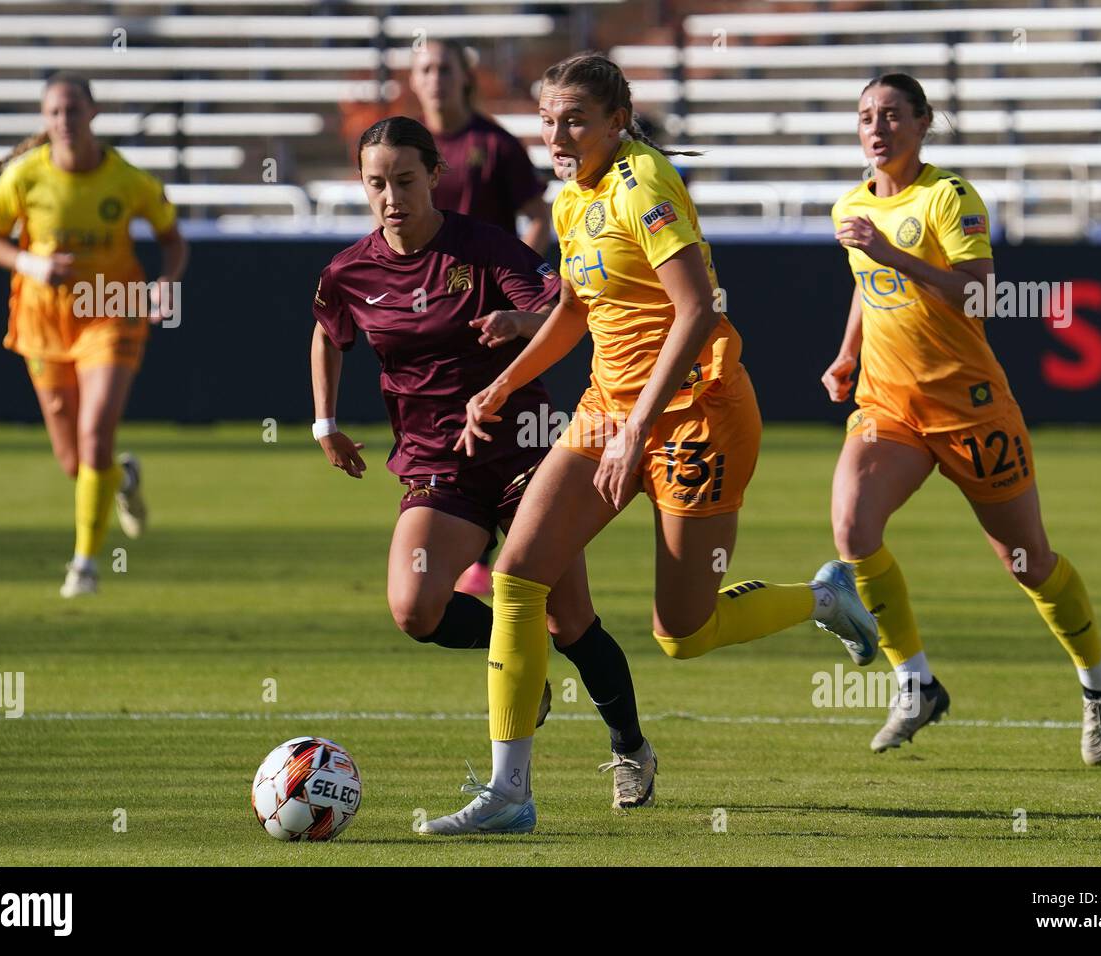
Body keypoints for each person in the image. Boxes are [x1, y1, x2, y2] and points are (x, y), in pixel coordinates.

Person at [417, 53, 876, 835]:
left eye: (575, 120)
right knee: (520, 575)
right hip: (609, 411)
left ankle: (825, 597)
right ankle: (509, 795)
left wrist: (638, 430)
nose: (558, 135)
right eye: (549, 120)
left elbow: (695, 311)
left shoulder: (646, 184)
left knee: (683, 633)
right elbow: (573, 309)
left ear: (616, 120)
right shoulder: (574, 197)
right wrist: (502, 385)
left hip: (698, 412)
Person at [311, 116, 654, 814]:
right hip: (437, 464)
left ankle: (630, 748)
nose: (391, 197)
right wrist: (326, 421)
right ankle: (525, 674)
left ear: (436, 176)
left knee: (569, 622)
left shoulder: (486, 248)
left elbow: (566, 310)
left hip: (525, 449)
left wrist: (516, 324)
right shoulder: (351, 270)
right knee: (414, 608)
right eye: (377, 183)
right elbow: (328, 331)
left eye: (405, 180)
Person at [822, 73, 1101, 764]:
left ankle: (1098, 682)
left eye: (894, 114)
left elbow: (980, 294)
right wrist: (846, 354)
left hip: (970, 409)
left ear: (924, 123)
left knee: (1028, 563)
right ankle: (915, 682)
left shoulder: (948, 197)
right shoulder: (850, 205)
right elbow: (868, 287)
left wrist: (892, 252)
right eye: (867, 115)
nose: (878, 127)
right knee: (852, 529)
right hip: (889, 406)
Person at [0, 72, 187, 598]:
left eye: (73, 110)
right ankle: (124, 477)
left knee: (95, 434)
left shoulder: (126, 179)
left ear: (93, 113)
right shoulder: (24, 177)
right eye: (54, 112)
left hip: (112, 311)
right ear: (44, 120)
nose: (64, 121)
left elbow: (172, 239)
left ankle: (85, 565)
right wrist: (29, 262)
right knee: (76, 462)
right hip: (44, 322)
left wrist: (165, 284)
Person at [407, 38, 554, 597]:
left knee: (503, 425)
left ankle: (506, 557)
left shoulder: (492, 144)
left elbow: (535, 214)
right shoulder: (406, 149)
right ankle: (472, 549)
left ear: (464, 78)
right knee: (435, 424)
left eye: (445, 67)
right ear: (414, 79)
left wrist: (519, 286)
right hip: (431, 318)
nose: (436, 77)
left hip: (490, 317)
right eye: (426, 68)